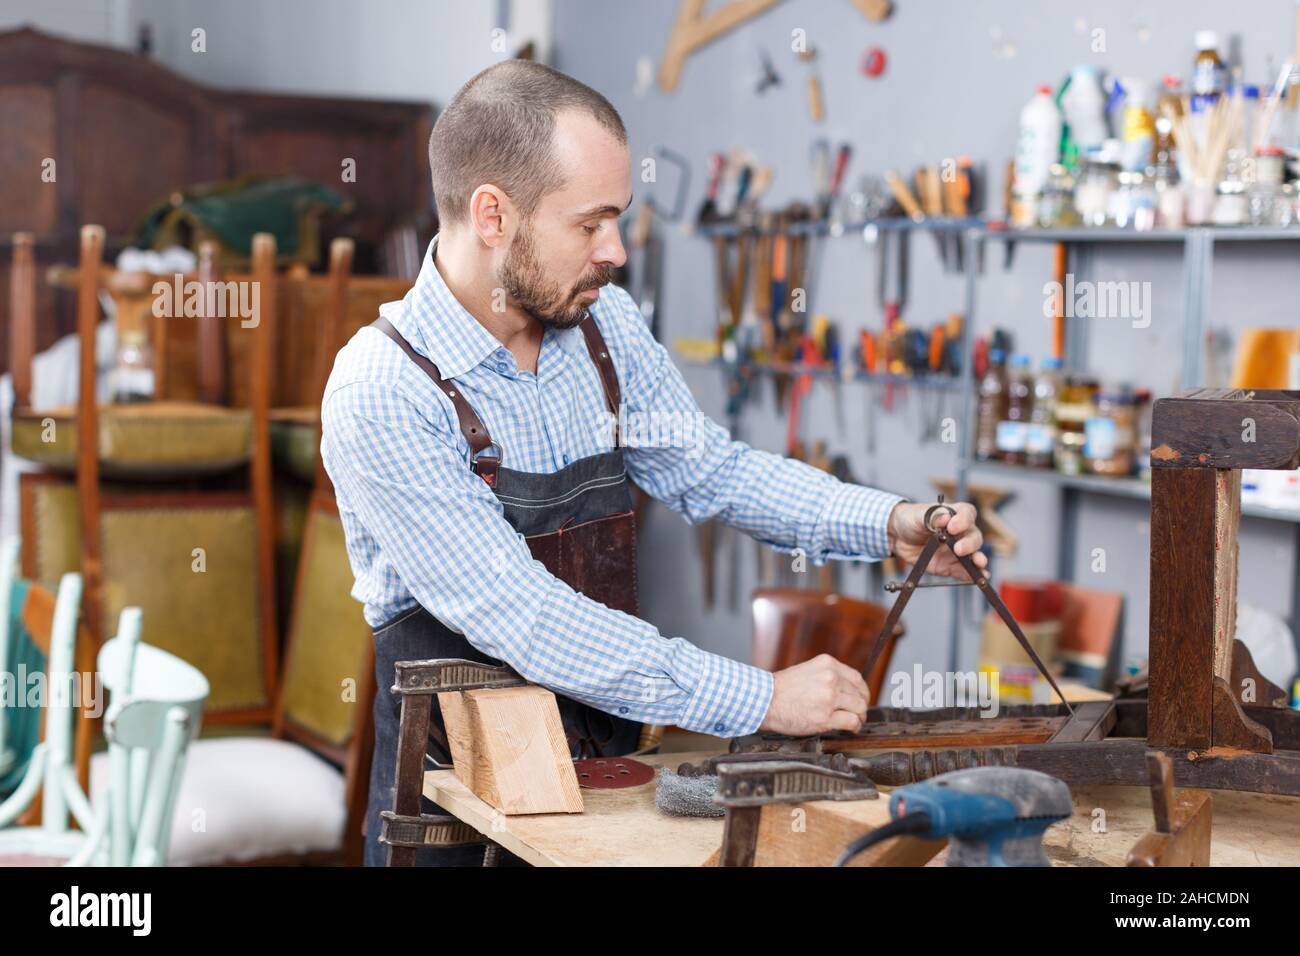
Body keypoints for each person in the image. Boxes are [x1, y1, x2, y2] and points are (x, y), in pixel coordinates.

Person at [320, 61, 986, 866]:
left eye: (621, 219)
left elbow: (714, 471)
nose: (618, 251)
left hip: (609, 784)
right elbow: (525, 615)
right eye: (591, 223)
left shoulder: (604, 330)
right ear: (492, 214)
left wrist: (888, 522)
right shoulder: (383, 389)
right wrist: (760, 697)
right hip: (459, 811)